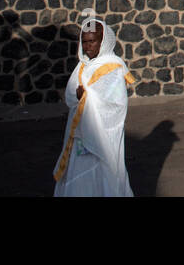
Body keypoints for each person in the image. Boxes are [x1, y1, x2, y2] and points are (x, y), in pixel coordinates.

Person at [53, 14, 135, 197]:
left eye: (92, 41)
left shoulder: (112, 67)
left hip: (101, 135)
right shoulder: (82, 66)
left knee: (102, 173)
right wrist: (79, 97)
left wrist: (87, 97)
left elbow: (117, 105)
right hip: (80, 133)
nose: (88, 46)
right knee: (79, 172)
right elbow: (70, 95)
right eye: (84, 42)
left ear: (103, 41)